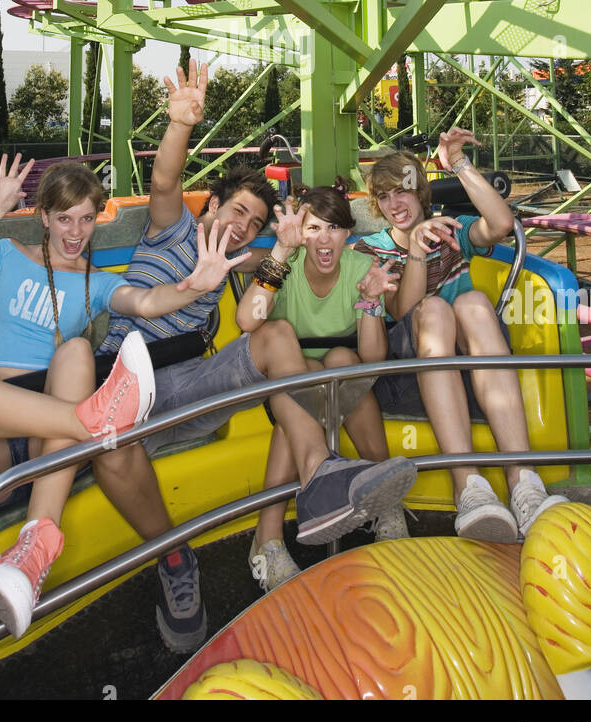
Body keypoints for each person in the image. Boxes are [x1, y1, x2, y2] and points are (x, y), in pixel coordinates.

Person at [94, 60, 416, 650]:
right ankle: (180, 562)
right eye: (237, 212)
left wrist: (280, 256)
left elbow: (256, 324)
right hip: (121, 384)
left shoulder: (246, 265)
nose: (244, 227)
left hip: (186, 385)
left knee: (287, 346)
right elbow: (165, 183)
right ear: (211, 205)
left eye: (258, 221)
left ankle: (320, 475)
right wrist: (180, 125)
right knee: (113, 448)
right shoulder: (174, 231)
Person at [0, 156, 246, 638]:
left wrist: (193, 287)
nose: (76, 231)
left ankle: (36, 544)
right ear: (43, 217)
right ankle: (92, 421)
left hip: (48, 448)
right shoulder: (5, 252)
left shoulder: (98, 281)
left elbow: (145, 302)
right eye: (64, 218)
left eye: (87, 218)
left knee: (77, 352)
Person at [360, 128, 565, 542]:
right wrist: (417, 250)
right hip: (410, 375)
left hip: (476, 371)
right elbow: (402, 311)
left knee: (472, 302)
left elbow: (502, 223)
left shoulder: (452, 231)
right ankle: (467, 486)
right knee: (433, 308)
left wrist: (457, 163)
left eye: (403, 190)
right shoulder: (372, 251)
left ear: (421, 193)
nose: (395, 203)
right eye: (384, 196)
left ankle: (523, 481)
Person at [235, 182, 407, 592]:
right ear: (302, 234)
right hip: (293, 379)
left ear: (347, 235)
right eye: (313, 229)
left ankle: (271, 538)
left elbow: (372, 358)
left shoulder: (362, 268)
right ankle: (275, 537)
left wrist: (369, 304)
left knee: (341, 362)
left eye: (333, 228)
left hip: (340, 379)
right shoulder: (288, 263)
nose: (324, 238)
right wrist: (278, 253)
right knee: (308, 379)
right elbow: (248, 320)